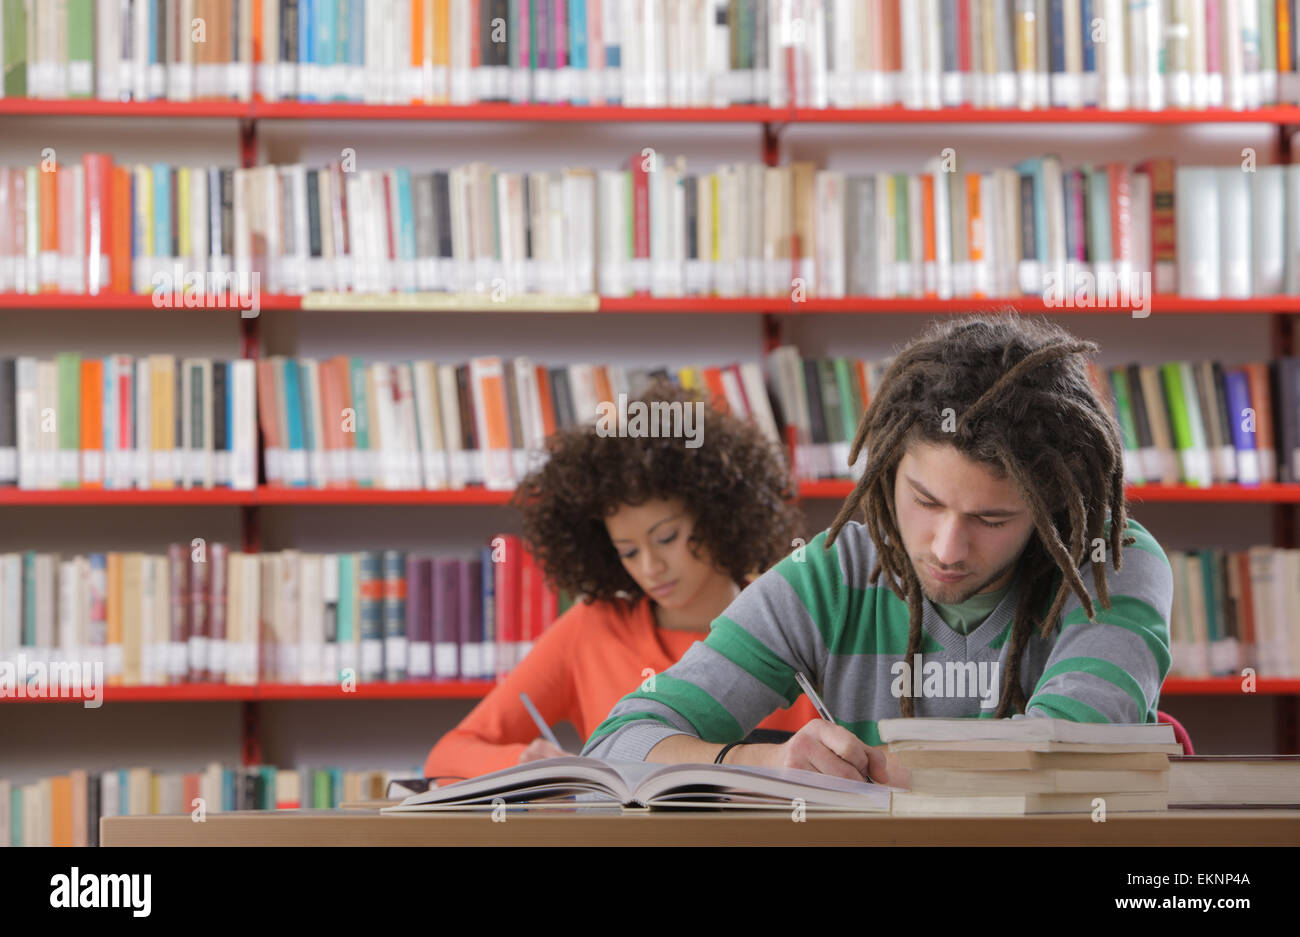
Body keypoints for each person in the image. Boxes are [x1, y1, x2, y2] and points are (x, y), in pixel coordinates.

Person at [581, 314, 1174, 789]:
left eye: (991, 518)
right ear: (887, 472)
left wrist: (884, 772)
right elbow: (619, 744)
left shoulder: (1107, 559)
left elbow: (1073, 748)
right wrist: (764, 764)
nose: (946, 547)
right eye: (925, 500)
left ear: (1054, 510)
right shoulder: (830, 574)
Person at [423, 381, 818, 782]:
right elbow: (448, 754)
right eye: (627, 551)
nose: (650, 567)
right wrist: (534, 767)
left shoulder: (788, 614)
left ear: (721, 516)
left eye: (666, 538)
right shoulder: (590, 630)